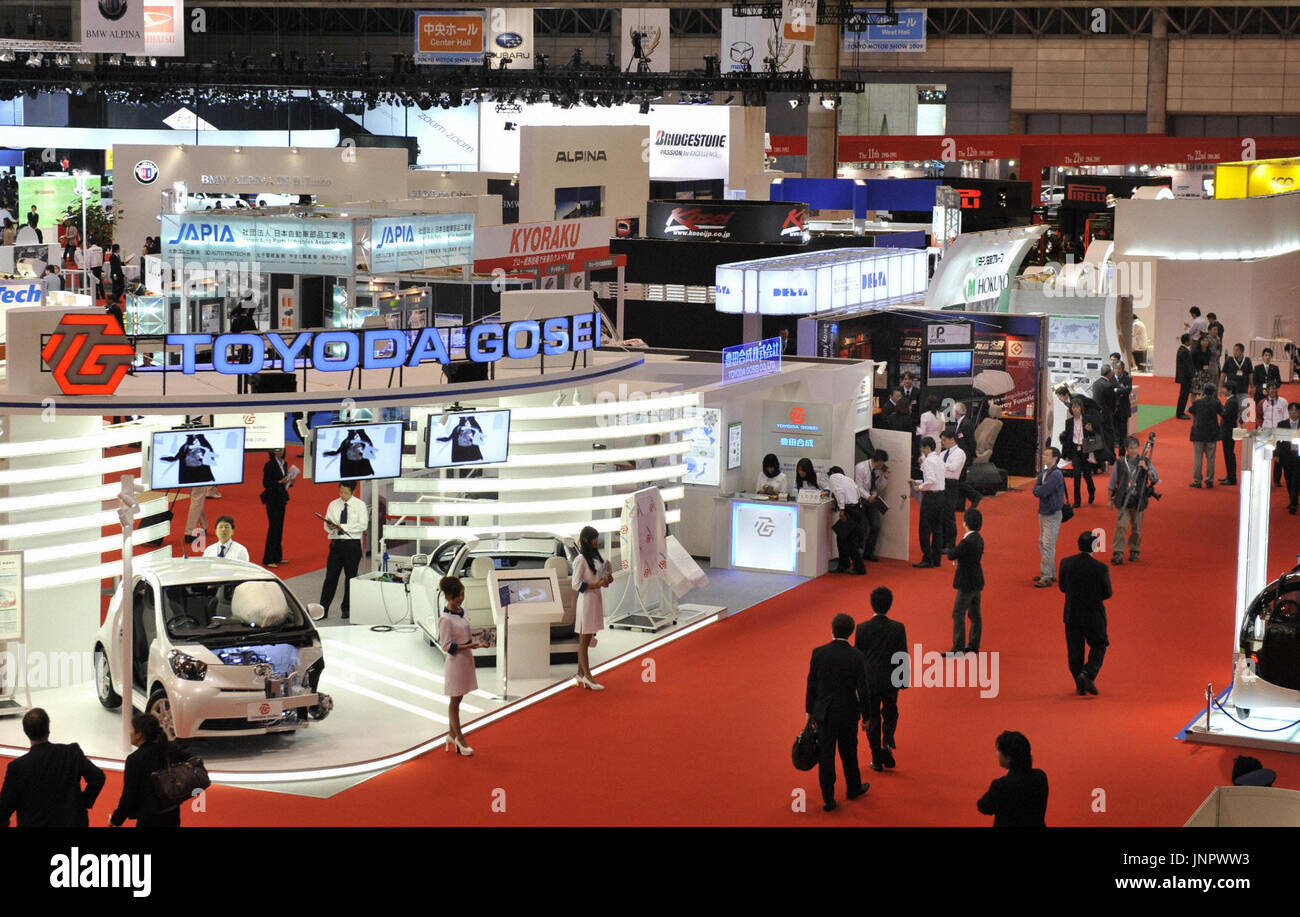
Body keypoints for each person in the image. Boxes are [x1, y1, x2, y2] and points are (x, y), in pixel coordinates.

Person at [805, 613, 870, 811]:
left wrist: (809, 711)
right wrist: (867, 716)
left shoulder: (818, 653)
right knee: (849, 752)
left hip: (824, 712)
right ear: (851, 633)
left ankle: (828, 798)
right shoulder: (857, 656)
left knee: (826, 755)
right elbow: (863, 689)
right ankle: (853, 788)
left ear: (832, 629)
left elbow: (811, 685)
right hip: (848, 712)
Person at [0, 708, 105, 827]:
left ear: (26, 732)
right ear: (48, 729)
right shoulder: (71, 753)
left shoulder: (17, 768)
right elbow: (98, 777)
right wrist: (83, 802)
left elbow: (4, 808)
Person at [854, 587, 907, 773]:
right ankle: (888, 742)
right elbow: (902, 655)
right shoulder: (898, 628)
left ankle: (876, 756)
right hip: (891, 680)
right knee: (891, 712)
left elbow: (858, 658)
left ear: (872, 604)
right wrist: (903, 681)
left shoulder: (861, 628)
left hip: (870, 681)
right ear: (890, 605)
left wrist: (857, 684)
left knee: (873, 717)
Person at [1058, 531, 1113, 695]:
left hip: (1072, 613)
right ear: (1095, 547)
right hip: (1094, 614)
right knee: (1100, 644)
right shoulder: (1101, 568)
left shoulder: (1065, 563)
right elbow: (1107, 593)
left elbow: (1062, 587)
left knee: (1075, 650)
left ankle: (1079, 683)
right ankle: (1088, 673)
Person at [109, 713, 182, 827]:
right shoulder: (169, 749)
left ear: (139, 735)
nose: (130, 733)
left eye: (132, 729)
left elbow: (129, 795)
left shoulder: (135, 759)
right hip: (172, 814)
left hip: (149, 819)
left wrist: (115, 820)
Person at [438, 576, 483, 755]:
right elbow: (447, 646)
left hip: (466, 659)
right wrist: (467, 646)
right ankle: (459, 738)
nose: (461, 598)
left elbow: (468, 634)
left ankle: (451, 733)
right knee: (455, 700)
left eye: (463, 595)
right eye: (459, 596)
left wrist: (480, 641)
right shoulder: (445, 619)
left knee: (459, 698)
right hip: (456, 662)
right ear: (449, 596)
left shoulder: (462, 612)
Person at [976, 731, 1048, 826]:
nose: (996, 753)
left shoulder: (1000, 785)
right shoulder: (1040, 776)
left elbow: (983, 807)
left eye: (998, 750)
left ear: (1008, 758)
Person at [319, 481, 367, 619]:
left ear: (353, 491)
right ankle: (323, 608)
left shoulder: (360, 505)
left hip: (352, 545)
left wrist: (343, 526)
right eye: (340, 492)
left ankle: (347, 609)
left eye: (345, 492)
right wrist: (330, 526)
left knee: (350, 577)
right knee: (330, 577)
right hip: (336, 544)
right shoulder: (333, 504)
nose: (342, 495)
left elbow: (363, 525)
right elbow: (326, 524)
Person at [572, 525, 613, 690]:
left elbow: (602, 579)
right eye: (594, 538)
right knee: (584, 640)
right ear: (587, 540)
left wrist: (607, 579)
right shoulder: (580, 560)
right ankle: (588, 676)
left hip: (595, 600)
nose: (597, 541)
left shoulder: (595, 556)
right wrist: (596, 584)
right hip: (587, 602)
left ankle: (580, 674)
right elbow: (576, 584)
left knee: (588, 638)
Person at [1109, 435, 1160, 565]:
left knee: (1137, 528)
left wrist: (1146, 468)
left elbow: (1155, 479)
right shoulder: (1120, 462)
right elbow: (1112, 482)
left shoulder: (1145, 461)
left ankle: (1134, 549)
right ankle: (1118, 552)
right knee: (1121, 526)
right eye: (1131, 448)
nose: (1134, 450)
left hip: (1139, 500)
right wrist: (1109, 500)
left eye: (1136, 447)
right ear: (1126, 449)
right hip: (1123, 499)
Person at [945, 508, 985, 655]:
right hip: (977, 580)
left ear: (965, 523)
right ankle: (974, 644)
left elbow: (952, 554)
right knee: (975, 614)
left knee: (958, 612)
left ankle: (958, 647)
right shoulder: (979, 539)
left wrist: (951, 547)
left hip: (966, 582)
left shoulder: (966, 541)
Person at [1060, 397, 1104, 507]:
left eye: (1077, 407)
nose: (1075, 409)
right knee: (1076, 474)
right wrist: (1065, 453)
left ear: (1081, 408)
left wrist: (1091, 430)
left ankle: (1091, 490)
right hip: (1075, 449)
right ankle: (1077, 501)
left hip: (1086, 449)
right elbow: (1068, 438)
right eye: (1073, 407)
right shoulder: (1069, 422)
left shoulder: (1087, 420)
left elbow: (1097, 433)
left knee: (1087, 474)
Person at [1032, 446, 1066, 587]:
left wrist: (1039, 490)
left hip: (1052, 513)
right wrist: (1040, 490)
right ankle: (1050, 573)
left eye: (1047, 455)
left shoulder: (1056, 474)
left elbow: (1042, 491)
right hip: (1044, 511)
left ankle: (1046, 575)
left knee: (1047, 544)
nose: (1043, 456)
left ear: (1055, 458)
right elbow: (1036, 490)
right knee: (1043, 543)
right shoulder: (1044, 473)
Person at [911, 436, 944, 569]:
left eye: (922, 448)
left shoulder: (928, 462)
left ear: (927, 448)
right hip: (941, 496)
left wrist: (919, 487)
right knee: (937, 529)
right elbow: (936, 479)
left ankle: (927, 558)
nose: (921, 450)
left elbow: (930, 481)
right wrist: (918, 482)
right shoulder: (940, 460)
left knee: (924, 529)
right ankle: (936, 559)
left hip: (931, 498)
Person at [826, 465, 865, 575]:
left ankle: (855, 567)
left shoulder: (833, 477)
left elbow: (839, 492)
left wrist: (842, 509)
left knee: (846, 539)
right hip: (856, 509)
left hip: (848, 510)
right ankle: (846, 564)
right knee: (845, 538)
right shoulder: (849, 479)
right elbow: (857, 492)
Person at [854, 449, 890, 562]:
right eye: (882, 463)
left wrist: (885, 477)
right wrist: (867, 496)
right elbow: (857, 486)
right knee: (861, 527)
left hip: (873, 500)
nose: (882, 465)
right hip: (861, 499)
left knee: (876, 526)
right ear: (877, 461)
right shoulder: (861, 467)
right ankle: (858, 552)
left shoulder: (878, 470)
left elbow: (879, 486)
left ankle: (869, 553)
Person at [261, 447, 293, 566]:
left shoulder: (284, 464)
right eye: (277, 449)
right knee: (273, 528)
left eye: (282, 449)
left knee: (279, 528)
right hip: (272, 499)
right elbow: (265, 483)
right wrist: (279, 482)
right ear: (272, 451)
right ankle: (268, 559)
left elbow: (285, 482)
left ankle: (277, 557)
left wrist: (290, 482)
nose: (280, 451)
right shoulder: (269, 465)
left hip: (281, 498)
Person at [1188, 382, 1222, 488]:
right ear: (1213, 393)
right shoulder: (1216, 403)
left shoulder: (1198, 402)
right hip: (1211, 433)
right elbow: (1222, 412)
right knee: (1211, 458)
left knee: (1198, 458)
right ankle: (1209, 480)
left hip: (1198, 433)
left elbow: (1190, 410)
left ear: (1203, 391)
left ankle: (1197, 480)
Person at [937, 429, 967, 550]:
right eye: (941, 440)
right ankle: (941, 542)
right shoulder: (942, 453)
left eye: (944, 440)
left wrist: (940, 465)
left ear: (952, 439)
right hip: (941, 483)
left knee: (949, 515)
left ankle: (951, 544)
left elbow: (953, 468)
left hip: (951, 484)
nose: (943, 443)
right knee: (940, 515)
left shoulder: (960, 453)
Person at [1259, 382, 1289, 488]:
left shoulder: (1283, 402)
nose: (1273, 391)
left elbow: (1286, 417)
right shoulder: (1263, 402)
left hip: (1278, 433)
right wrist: (1260, 429)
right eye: (1271, 389)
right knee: (1265, 456)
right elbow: (1259, 417)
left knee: (1278, 458)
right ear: (1267, 390)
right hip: (1266, 433)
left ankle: (1277, 479)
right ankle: (1264, 478)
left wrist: (1284, 432)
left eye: (1275, 389)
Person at [1089, 365, 1117, 460]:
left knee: (1100, 435)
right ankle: (1110, 456)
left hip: (1096, 413)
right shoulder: (1108, 385)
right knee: (1109, 435)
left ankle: (1101, 456)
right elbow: (1112, 401)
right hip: (1106, 414)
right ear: (1109, 373)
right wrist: (1113, 411)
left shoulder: (1096, 383)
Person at [1218, 382, 1241, 486]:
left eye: (1224, 389)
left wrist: (1219, 409)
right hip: (1229, 430)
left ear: (1230, 391)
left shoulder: (1232, 402)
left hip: (1228, 431)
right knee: (1228, 454)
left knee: (1229, 454)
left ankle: (1231, 477)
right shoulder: (1232, 401)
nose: (1222, 390)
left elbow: (1225, 415)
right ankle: (1230, 475)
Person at [1280, 402, 1300, 515]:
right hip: (1286, 456)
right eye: (1291, 410)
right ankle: (1293, 498)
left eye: (1296, 410)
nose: (1293, 412)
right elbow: (1278, 441)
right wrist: (1277, 455)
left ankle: (1293, 503)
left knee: (1296, 478)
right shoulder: (1282, 424)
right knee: (1288, 477)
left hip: (1298, 456)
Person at [1175, 334, 1195, 419]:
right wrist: (1192, 375)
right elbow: (1187, 366)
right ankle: (1180, 413)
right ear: (1187, 341)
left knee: (1184, 394)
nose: (1192, 341)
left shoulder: (1182, 350)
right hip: (1185, 377)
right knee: (1184, 395)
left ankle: (1180, 411)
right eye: (1190, 339)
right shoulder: (1184, 351)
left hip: (1184, 376)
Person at [1112, 360, 1133, 440]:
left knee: (1123, 428)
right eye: (1115, 368)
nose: (1117, 371)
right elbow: (1110, 390)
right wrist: (1121, 389)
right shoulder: (1111, 378)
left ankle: (1123, 442)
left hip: (1123, 407)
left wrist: (1116, 390)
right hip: (1113, 407)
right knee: (1114, 426)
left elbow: (1127, 391)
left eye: (1119, 368)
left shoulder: (1128, 378)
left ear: (1123, 369)